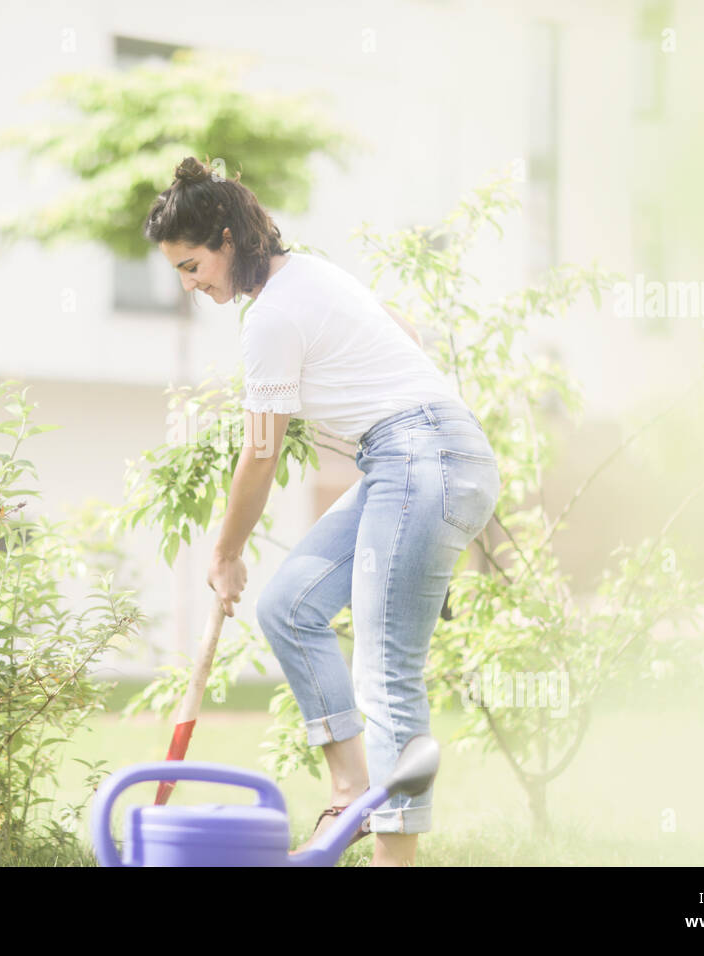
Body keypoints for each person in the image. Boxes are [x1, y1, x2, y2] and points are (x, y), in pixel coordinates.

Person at [142, 156, 501, 867]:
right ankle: (351, 792)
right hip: (409, 457)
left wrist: (223, 552)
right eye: (178, 274)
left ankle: (393, 860)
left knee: (385, 666)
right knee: (289, 604)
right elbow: (407, 332)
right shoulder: (309, 276)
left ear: (225, 237)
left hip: (423, 458)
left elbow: (262, 453)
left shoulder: (272, 314)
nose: (189, 285)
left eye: (192, 266)